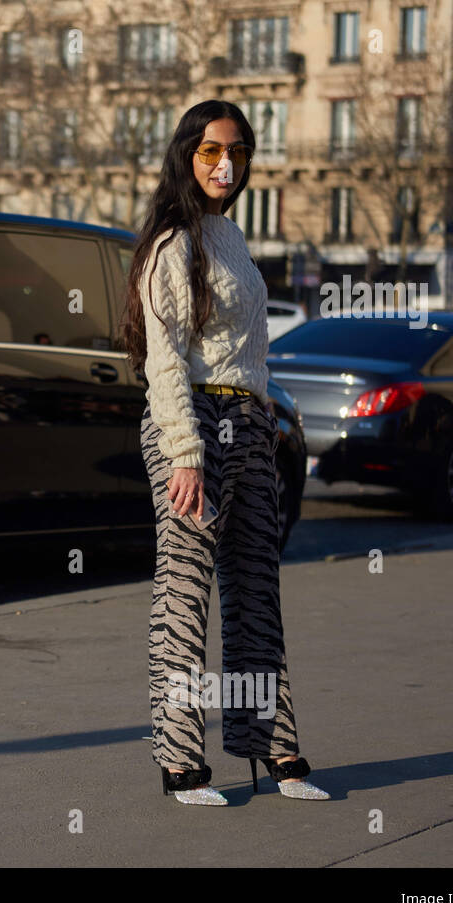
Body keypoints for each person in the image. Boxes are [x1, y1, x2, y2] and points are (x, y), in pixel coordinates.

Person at [116, 100, 329, 806]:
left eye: (236, 152)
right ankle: (180, 760)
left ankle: (272, 744)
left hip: (248, 422)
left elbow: (247, 348)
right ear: (186, 154)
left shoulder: (230, 235)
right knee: (184, 593)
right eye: (210, 151)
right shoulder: (173, 243)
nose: (225, 165)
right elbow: (166, 360)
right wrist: (184, 451)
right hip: (194, 423)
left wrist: (261, 418)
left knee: (257, 589)